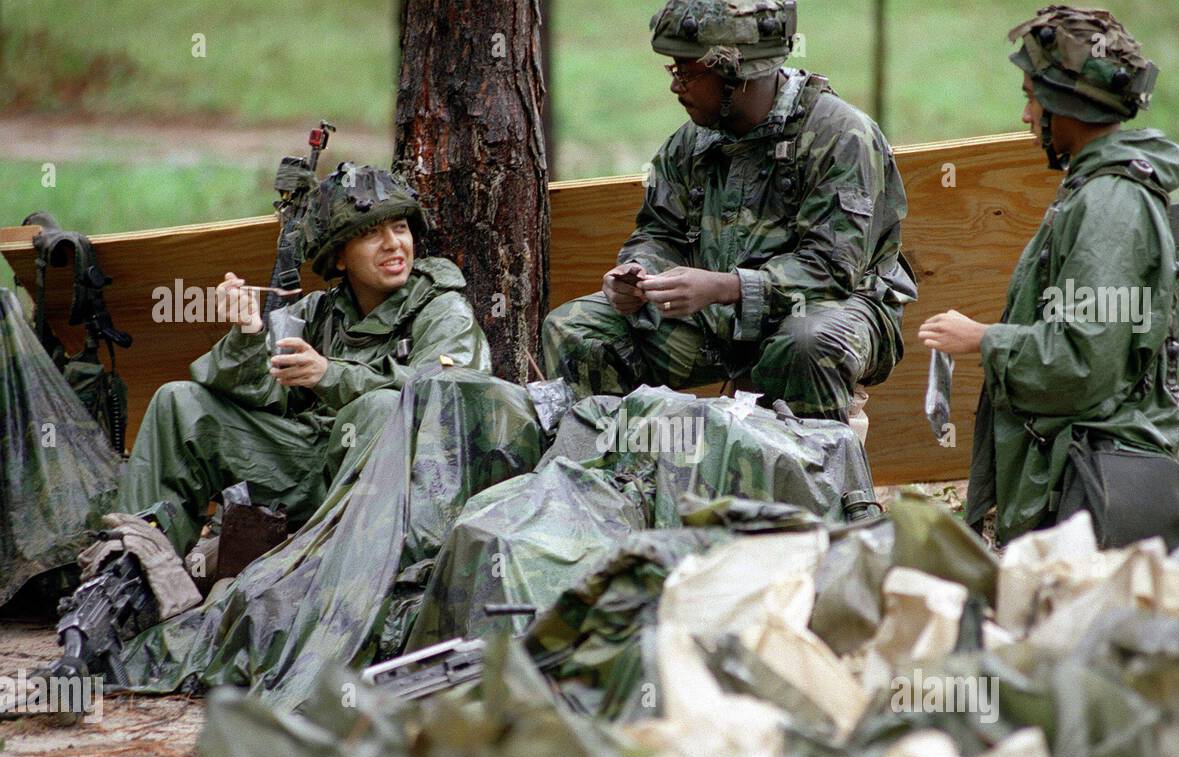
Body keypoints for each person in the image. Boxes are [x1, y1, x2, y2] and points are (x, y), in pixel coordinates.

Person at [543, 0, 914, 423]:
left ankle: (811, 482)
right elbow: (658, 232)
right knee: (577, 328)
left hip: (830, 311)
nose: (676, 86)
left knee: (807, 343)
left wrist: (725, 287)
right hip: (717, 320)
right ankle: (613, 472)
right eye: (673, 71)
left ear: (738, 75)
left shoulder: (839, 135)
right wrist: (639, 275)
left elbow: (831, 271)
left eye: (687, 72)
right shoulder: (691, 143)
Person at [920, 5, 1179, 547]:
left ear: (1068, 106)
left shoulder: (1110, 207)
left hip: (1087, 491)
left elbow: (1084, 363)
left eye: (1032, 96)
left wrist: (982, 340)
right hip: (1076, 478)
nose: (1027, 116)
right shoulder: (1098, 193)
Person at [117, 164, 492, 555]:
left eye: (400, 228)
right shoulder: (319, 314)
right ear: (340, 257)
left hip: (394, 494)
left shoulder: (444, 310)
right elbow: (266, 394)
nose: (394, 244)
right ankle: (136, 567)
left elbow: (447, 396)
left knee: (380, 406)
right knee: (178, 402)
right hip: (311, 468)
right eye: (371, 233)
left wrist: (330, 375)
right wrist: (248, 333)